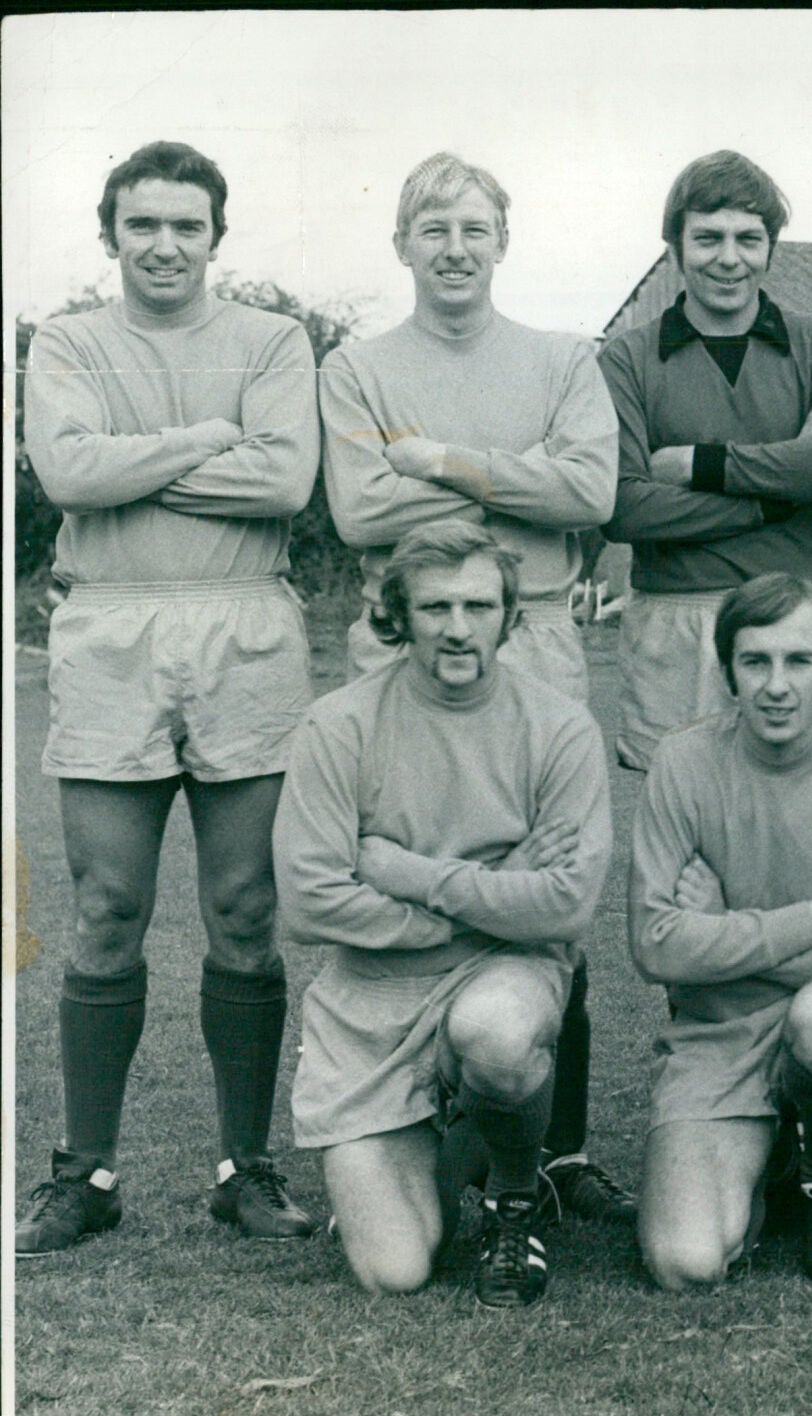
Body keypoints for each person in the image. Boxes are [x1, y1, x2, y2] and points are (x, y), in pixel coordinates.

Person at [18, 141, 320, 1255]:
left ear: (216, 237)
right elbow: (68, 476)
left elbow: (288, 480)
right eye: (142, 224)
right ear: (111, 233)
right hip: (110, 622)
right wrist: (204, 437)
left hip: (246, 623)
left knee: (246, 909)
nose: (164, 244)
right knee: (104, 908)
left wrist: (125, 456)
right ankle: (84, 1171)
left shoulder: (272, 339)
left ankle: (246, 1166)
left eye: (186, 225)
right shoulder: (68, 340)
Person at [318, 152, 633, 1223]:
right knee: (414, 861)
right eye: (433, 228)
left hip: (537, 635)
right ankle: (437, 1113)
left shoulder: (560, 358)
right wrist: (515, 474)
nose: (455, 248)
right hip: (403, 644)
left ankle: (562, 1145)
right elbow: (360, 512)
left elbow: (590, 487)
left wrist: (438, 456)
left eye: (474, 228)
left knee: (547, 879)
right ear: (401, 243)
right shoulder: (357, 366)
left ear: (504, 240)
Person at [274, 523, 612, 1307]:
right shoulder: (339, 725)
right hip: (373, 1002)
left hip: (505, 975)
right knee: (396, 1270)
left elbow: (568, 901)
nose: (458, 628)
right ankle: (441, 1157)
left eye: (478, 606)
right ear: (399, 615)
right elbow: (308, 900)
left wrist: (406, 873)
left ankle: (514, 1199)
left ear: (509, 614)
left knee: (495, 1034)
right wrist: (489, 899)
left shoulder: (560, 727)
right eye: (435, 608)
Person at [629, 575, 812, 1287]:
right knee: (686, 1264)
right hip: (717, 1033)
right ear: (727, 670)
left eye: (798, 661)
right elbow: (654, 944)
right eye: (756, 662)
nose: (777, 685)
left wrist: (721, 932)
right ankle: (770, 1161)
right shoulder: (682, 761)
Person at [599, 150, 812, 772]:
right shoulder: (627, 359)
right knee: (679, 828)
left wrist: (702, 466)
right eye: (708, 238)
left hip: (797, 617)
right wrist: (788, 485)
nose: (729, 259)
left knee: (810, 820)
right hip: (677, 623)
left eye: (748, 239)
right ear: (675, 246)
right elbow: (622, 507)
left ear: (771, 247)